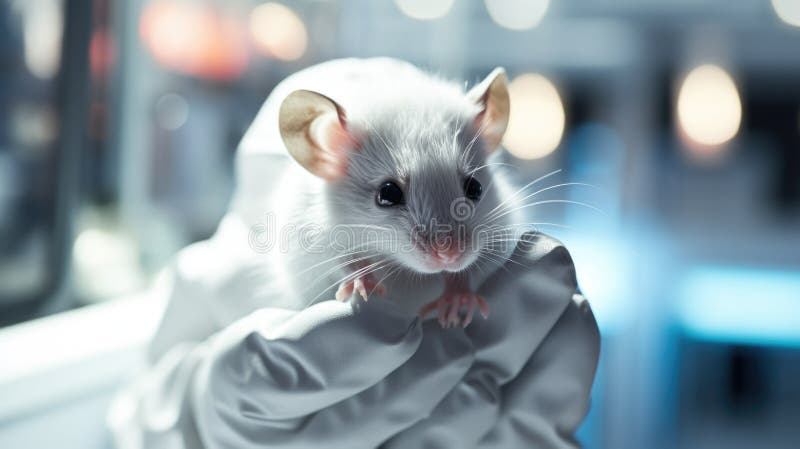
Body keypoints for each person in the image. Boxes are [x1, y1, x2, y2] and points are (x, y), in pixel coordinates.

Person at [107, 59, 600, 449]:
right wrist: (194, 421)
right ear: (322, 153)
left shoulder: (481, 188)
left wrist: (459, 285)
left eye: (469, 187)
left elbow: (498, 227)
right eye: (391, 194)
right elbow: (134, 411)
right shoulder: (251, 242)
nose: (448, 244)